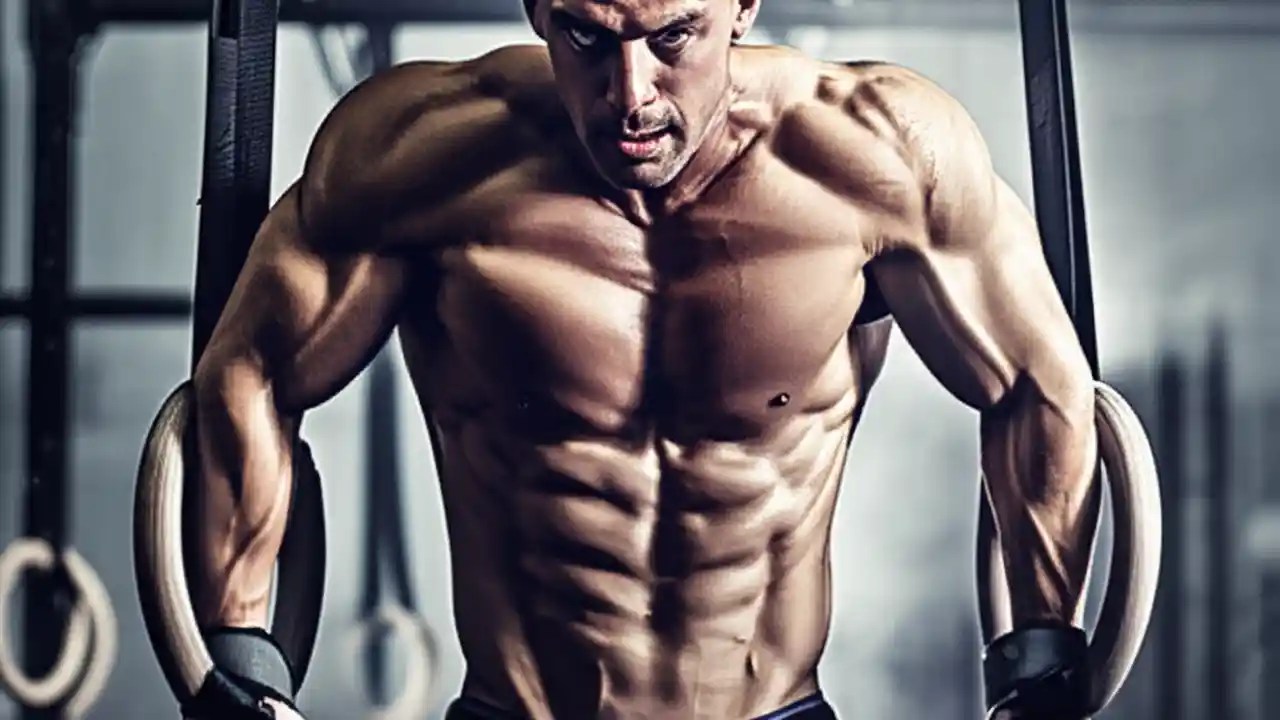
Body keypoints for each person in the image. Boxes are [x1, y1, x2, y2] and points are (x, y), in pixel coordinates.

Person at [184, 1, 1101, 718]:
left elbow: (1036, 386)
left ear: (742, 5)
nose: (631, 93)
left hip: (771, 711)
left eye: (673, 36)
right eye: (587, 35)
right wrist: (241, 661)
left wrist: (1039, 656)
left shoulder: (877, 160)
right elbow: (253, 372)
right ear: (537, 7)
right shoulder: (417, 160)